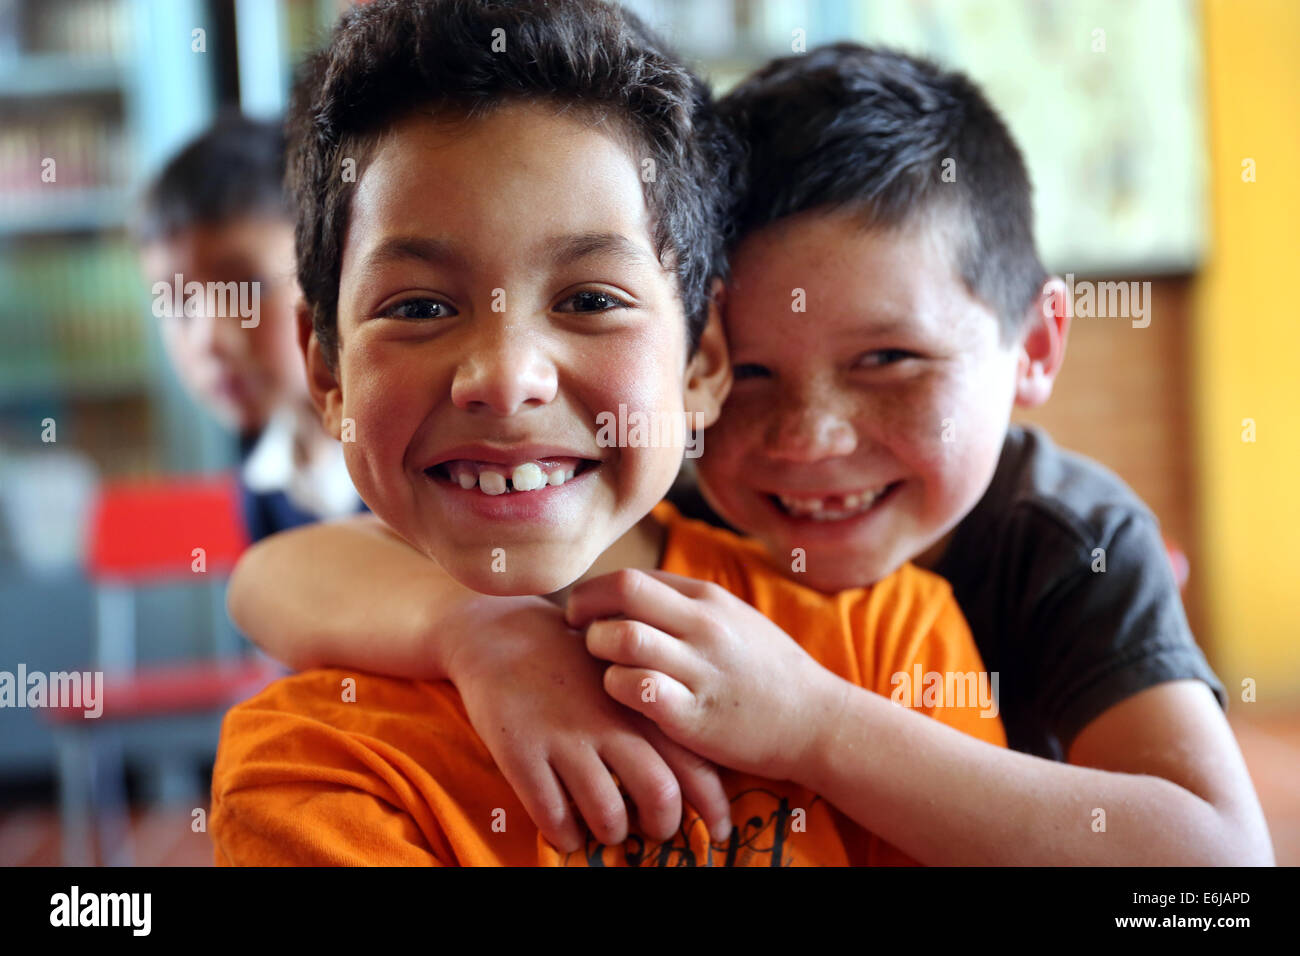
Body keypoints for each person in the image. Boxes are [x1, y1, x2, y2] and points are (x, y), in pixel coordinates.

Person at [225, 36, 1272, 863]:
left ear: (1036, 343)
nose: (808, 439)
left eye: (890, 359)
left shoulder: (1059, 538)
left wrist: (817, 724)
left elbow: (1212, 872)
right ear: (703, 369)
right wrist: (483, 632)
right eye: (754, 373)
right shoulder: (675, 468)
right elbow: (278, 571)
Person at [135, 113, 361, 540]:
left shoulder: (412, 470)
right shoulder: (265, 483)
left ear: (335, 269)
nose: (208, 340)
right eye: (178, 303)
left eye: (249, 288)